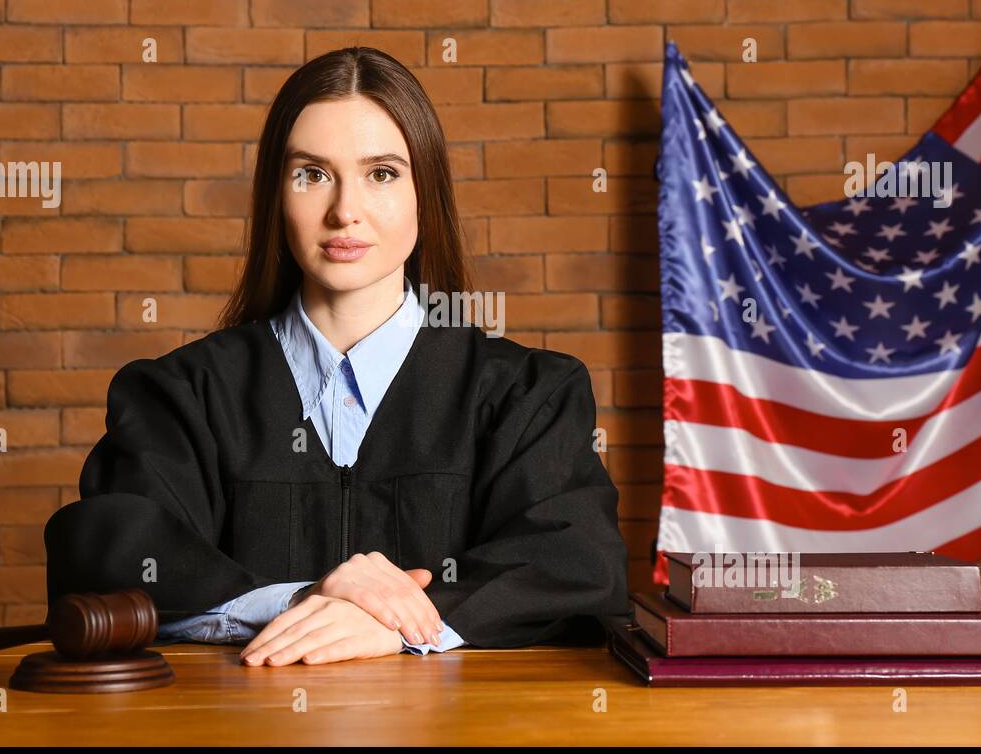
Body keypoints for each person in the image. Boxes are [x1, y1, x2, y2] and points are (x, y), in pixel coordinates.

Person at [43, 46, 629, 666]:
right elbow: (105, 552)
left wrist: (400, 624)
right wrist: (301, 599)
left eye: (382, 173)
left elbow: (576, 561)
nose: (344, 210)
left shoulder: (525, 396)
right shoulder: (184, 395)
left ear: (425, 196)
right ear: (276, 196)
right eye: (312, 174)